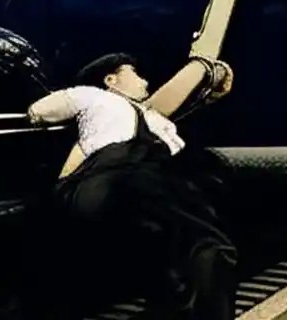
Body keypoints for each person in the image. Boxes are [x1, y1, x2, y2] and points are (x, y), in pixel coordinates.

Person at [26, 53, 237, 319]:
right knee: (208, 247)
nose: (144, 80)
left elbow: (171, 102)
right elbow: (40, 110)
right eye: (133, 73)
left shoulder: (151, 115)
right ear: (111, 80)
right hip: (126, 176)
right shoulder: (93, 96)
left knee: (161, 262)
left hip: (107, 189)